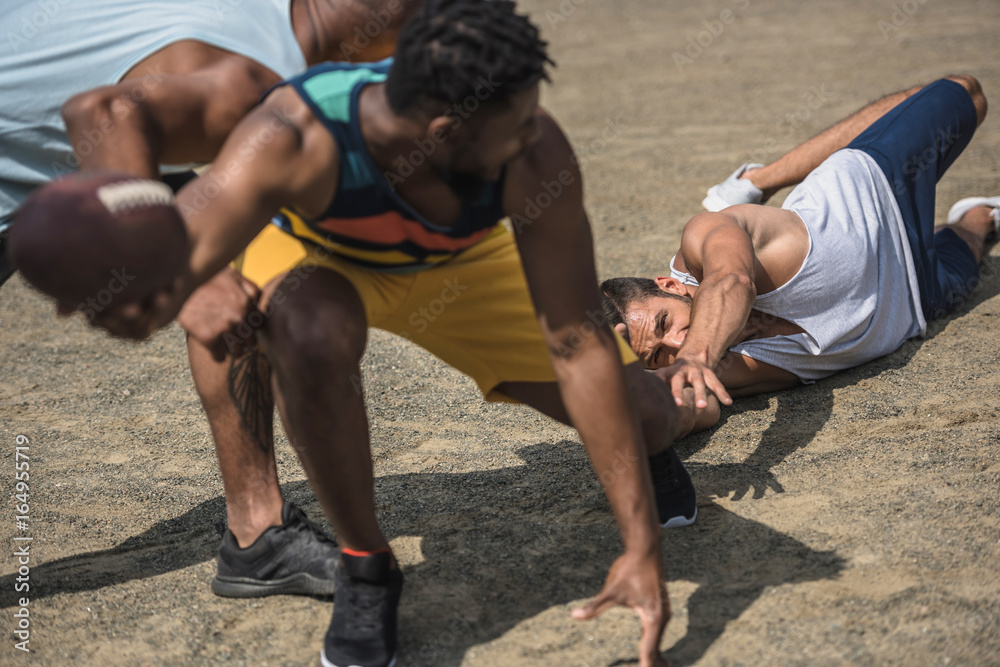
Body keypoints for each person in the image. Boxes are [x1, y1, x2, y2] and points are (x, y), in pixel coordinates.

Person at [85, 1, 719, 664]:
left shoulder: (534, 154)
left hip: (456, 261)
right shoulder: (293, 131)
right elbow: (161, 220)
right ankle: (367, 567)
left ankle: (648, 455)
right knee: (307, 325)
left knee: (643, 412)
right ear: (446, 130)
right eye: (520, 122)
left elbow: (574, 342)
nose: (537, 131)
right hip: (320, 257)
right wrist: (178, 282)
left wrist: (639, 541)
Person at [0, 0, 423, 597]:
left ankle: (259, 534)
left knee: (244, 238)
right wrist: (180, 275)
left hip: (40, 145)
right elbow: (104, 111)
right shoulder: (250, 72)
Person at [602, 75, 994, 421]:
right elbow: (676, 414)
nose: (674, 344)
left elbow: (732, 280)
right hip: (914, 298)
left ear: (668, 286)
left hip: (876, 188)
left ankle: (758, 179)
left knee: (963, 95)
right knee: (976, 232)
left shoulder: (703, 237)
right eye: (656, 357)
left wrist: (694, 355)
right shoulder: (716, 374)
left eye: (663, 324)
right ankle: (978, 214)